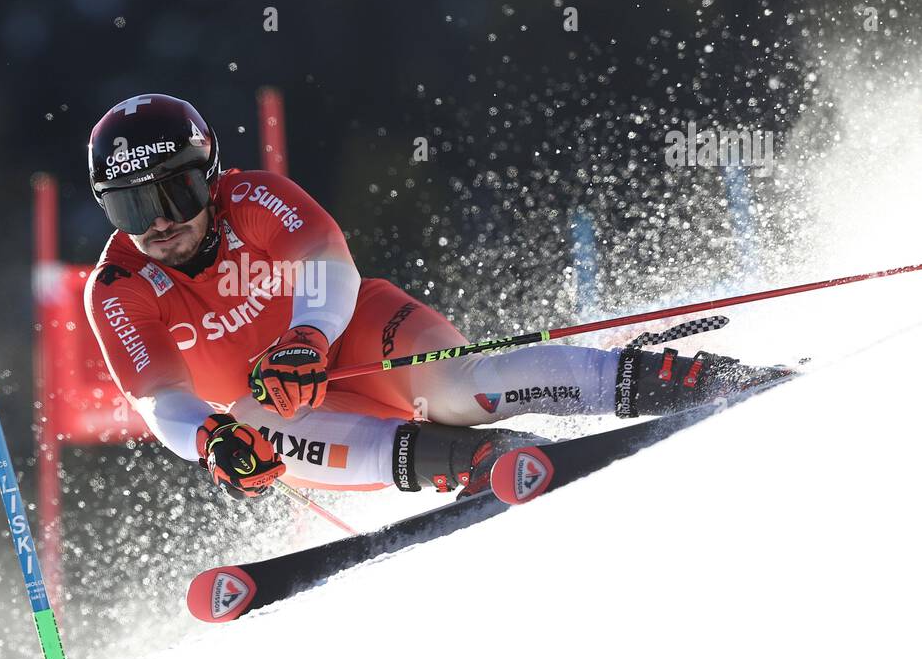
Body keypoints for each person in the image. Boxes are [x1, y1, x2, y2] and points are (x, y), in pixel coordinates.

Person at [83, 94, 783, 501]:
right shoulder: (118, 287)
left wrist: (305, 340)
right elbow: (160, 400)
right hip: (286, 408)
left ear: (208, 176)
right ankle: (478, 462)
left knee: (459, 390)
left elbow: (328, 264)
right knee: (250, 423)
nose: (156, 223)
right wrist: (208, 440)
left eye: (171, 193)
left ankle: (677, 378)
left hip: (355, 338)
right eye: (127, 208)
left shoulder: (254, 197)